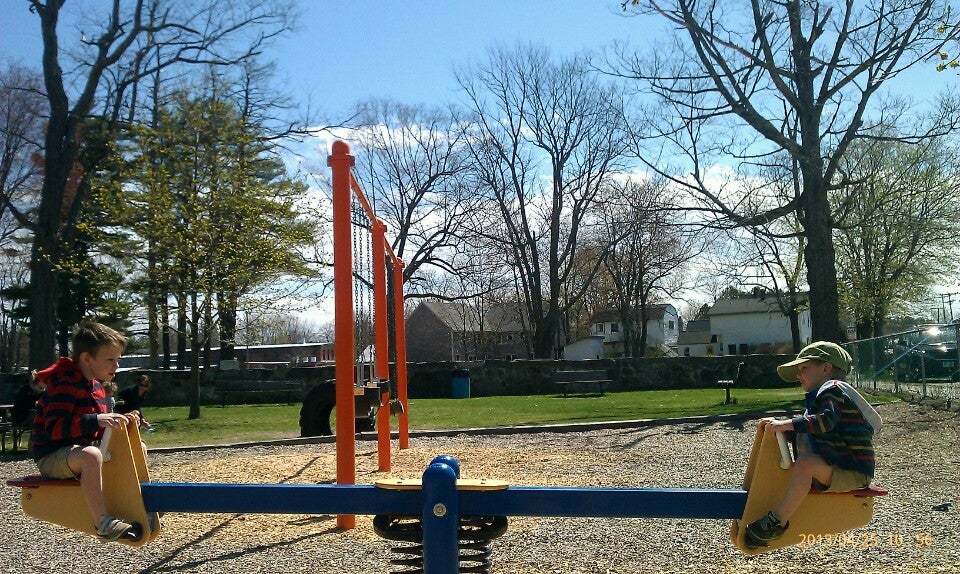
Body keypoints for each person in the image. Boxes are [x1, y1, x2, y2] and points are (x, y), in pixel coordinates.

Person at [744, 341, 881, 549]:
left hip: (852, 471)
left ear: (826, 368)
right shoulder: (824, 397)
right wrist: (783, 431)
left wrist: (785, 424)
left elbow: (825, 422)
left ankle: (777, 522)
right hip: (838, 467)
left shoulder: (833, 391)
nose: (799, 375)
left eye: (804, 368)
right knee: (805, 463)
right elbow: (812, 434)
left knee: (806, 464)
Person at [30, 321, 142, 541]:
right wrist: (97, 420)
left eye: (118, 359)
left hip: (77, 452)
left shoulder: (97, 388)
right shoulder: (65, 384)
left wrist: (122, 423)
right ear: (86, 358)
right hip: (51, 456)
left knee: (136, 448)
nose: (116, 365)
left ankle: (137, 504)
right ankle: (103, 522)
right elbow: (54, 430)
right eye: (110, 359)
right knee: (91, 456)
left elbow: (98, 432)